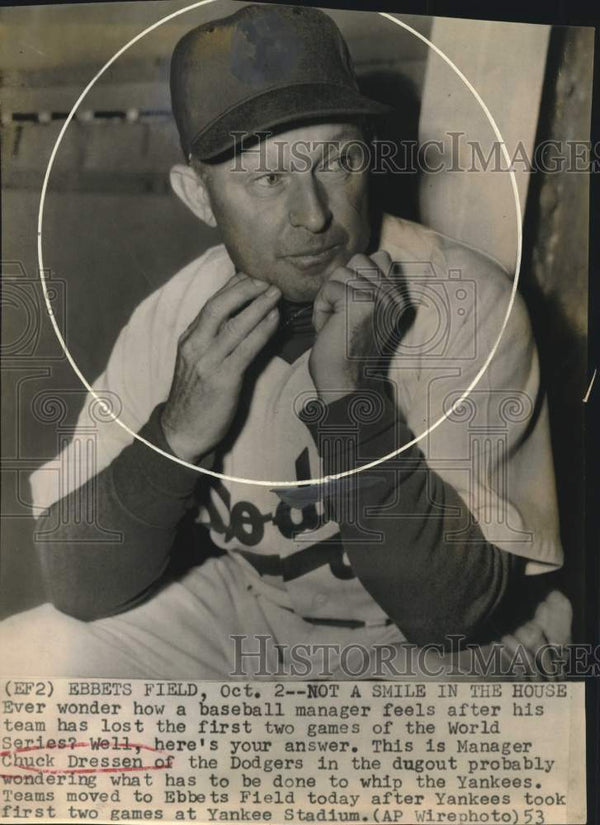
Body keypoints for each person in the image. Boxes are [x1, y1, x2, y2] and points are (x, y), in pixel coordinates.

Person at [1, 4, 571, 680]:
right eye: (267, 179)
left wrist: (352, 398)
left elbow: (450, 610)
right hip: (261, 614)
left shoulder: (467, 300)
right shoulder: (174, 316)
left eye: (336, 160)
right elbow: (76, 581)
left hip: (457, 642)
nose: (314, 213)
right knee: (28, 657)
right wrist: (175, 434)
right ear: (199, 196)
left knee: (390, 716)